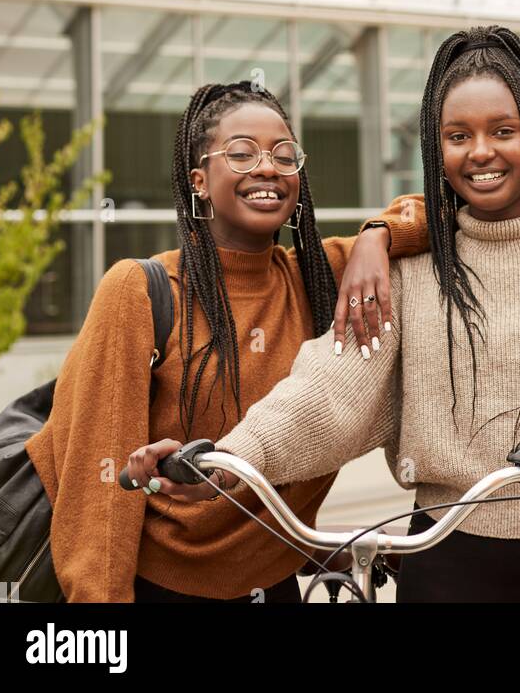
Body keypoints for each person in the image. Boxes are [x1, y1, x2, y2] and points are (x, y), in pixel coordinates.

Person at [133, 29, 520, 603]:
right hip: (453, 563)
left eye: (503, 131)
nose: (481, 151)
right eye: (458, 135)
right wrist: (229, 458)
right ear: (436, 148)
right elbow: (327, 392)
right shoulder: (410, 273)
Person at [25, 80, 429, 602]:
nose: (267, 168)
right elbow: (98, 488)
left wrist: (377, 236)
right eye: (241, 154)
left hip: (278, 584)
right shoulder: (140, 290)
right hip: (160, 587)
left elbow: (434, 214)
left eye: (284, 155)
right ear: (199, 180)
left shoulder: (320, 275)